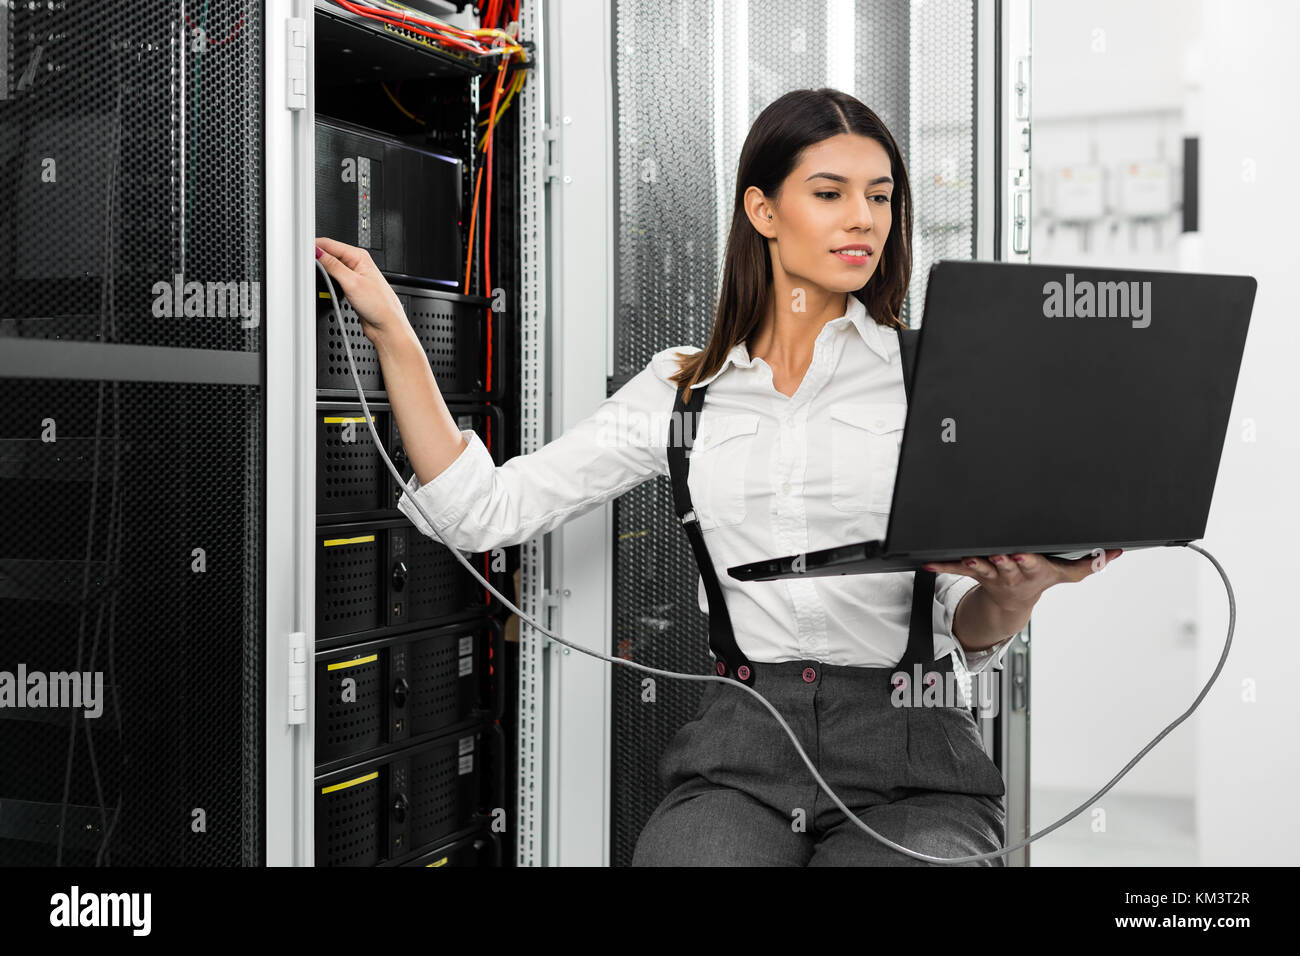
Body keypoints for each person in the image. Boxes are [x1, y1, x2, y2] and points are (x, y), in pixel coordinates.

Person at [314, 87, 1123, 867]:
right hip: (745, 745)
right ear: (762, 211)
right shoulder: (681, 390)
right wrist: (395, 329)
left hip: (915, 751)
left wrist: (1018, 592)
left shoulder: (935, 380)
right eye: (831, 192)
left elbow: (968, 623)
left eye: (880, 196)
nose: (863, 219)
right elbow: (487, 509)